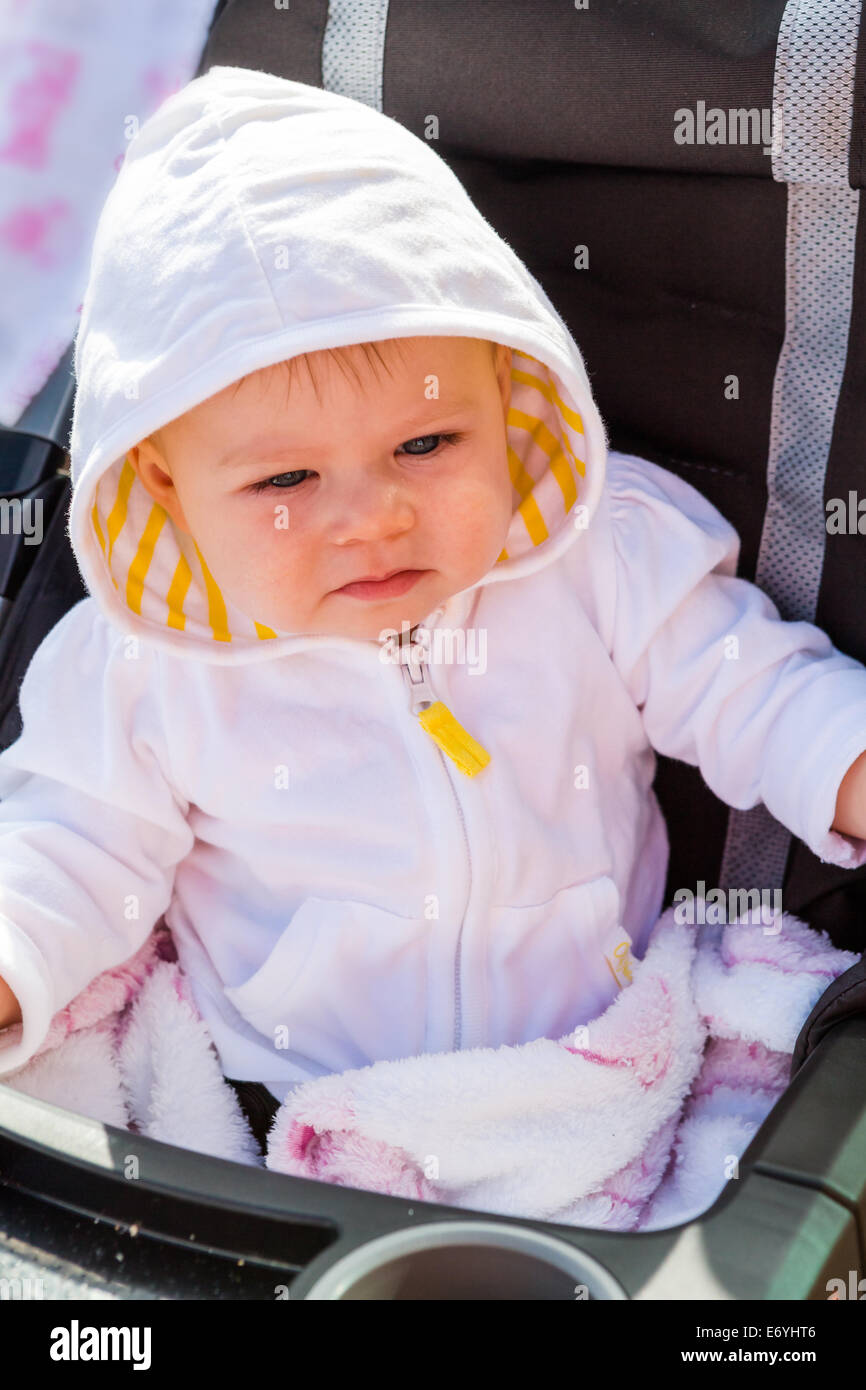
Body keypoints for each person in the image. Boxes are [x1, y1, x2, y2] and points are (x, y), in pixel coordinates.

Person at [2, 66, 866, 1150]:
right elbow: (69, 843)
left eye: (424, 444)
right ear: (168, 486)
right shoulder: (142, 665)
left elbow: (752, 686)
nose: (370, 519)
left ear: (506, 403)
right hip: (286, 1095)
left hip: (593, 1068)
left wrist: (846, 762)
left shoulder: (602, 552)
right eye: (284, 483)